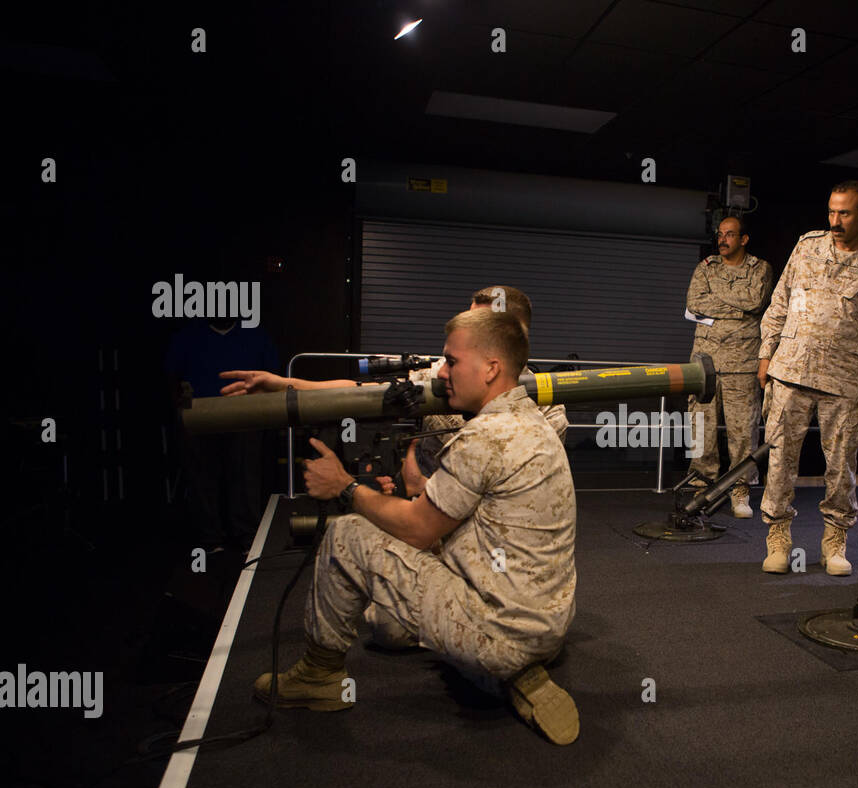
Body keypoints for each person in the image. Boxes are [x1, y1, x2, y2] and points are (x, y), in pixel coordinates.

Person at [252, 309, 581, 744]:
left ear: (491, 369)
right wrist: (419, 489)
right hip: (550, 623)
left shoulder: (483, 437)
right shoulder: (533, 423)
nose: (443, 373)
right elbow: (480, 510)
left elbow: (416, 529)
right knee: (388, 628)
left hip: (503, 625)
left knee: (345, 535)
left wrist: (345, 487)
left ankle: (320, 676)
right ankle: (508, 672)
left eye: (452, 361)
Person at [220, 285, 567, 493]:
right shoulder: (443, 377)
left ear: (511, 335)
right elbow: (361, 391)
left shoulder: (547, 412)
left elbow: (511, 492)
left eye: (478, 325)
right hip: (423, 508)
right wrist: (282, 386)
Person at [757, 181, 858, 574]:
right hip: (789, 371)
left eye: (845, 213)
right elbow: (779, 302)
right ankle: (778, 537)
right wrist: (764, 355)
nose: (835, 221)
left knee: (841, 466)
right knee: (779, 459)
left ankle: (835, 540)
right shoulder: (807, 246)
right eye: (831, 212)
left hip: (843, 383)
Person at [166, 317, 280, 553]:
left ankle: (248, 537)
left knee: (246, 476)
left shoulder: (254, 333)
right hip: (199, 415)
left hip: (245, 416)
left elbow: (272, 376)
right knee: (202, 477)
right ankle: (210, 539)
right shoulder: (189, 334)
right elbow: (172, 376)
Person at [685, 216, 774, 516]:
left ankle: (740, 490)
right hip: (704, 363)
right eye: (720, 234)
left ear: (744, 239)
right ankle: (701, 488)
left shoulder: (759, 269)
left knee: (743, 433)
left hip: (742, 362)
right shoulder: (705, 267)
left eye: (730, 235)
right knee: (700, 428)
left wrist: (718, 299)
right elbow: (694, 302)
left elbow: (755, 300)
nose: (723, 240)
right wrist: (738, 310)